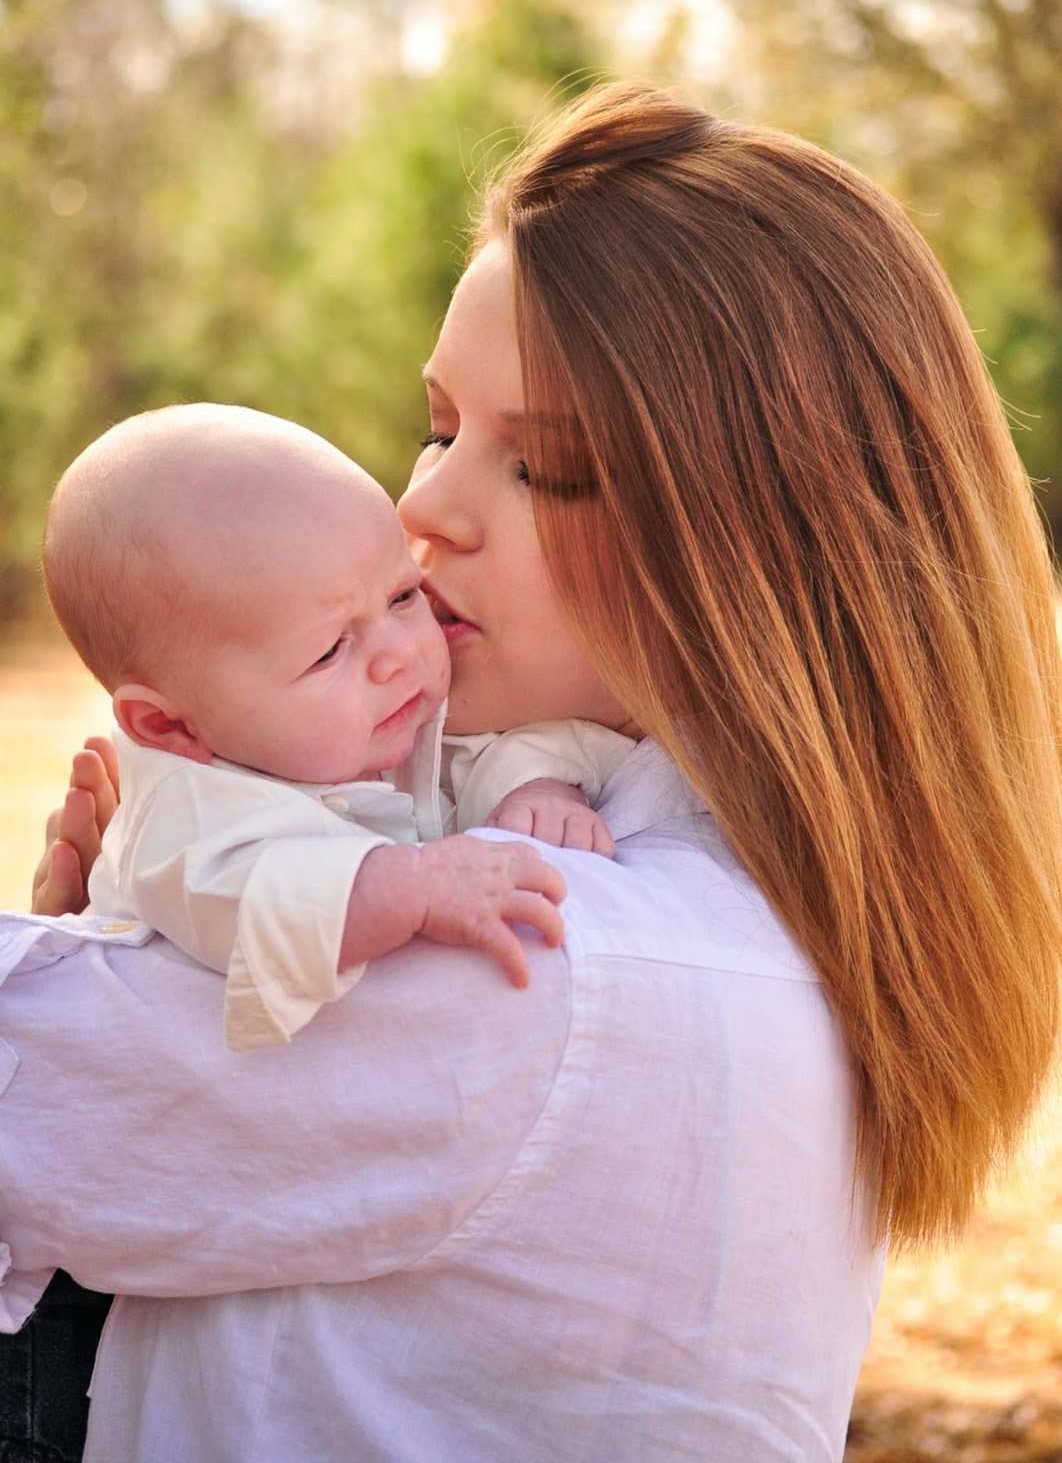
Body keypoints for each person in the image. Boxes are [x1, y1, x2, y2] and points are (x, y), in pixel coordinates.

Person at [2, 80, 1061, 1463]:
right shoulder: (730, 898)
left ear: (766, 545)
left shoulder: (533, 951)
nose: (421, 507)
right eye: (440, 426)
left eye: (545, 471)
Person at [39, 401, 626, 1049]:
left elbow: (475, 752)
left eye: (404, 596)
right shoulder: (181, 825)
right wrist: (416, 886)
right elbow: (265, 906)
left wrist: (535, 788)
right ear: (170, 725)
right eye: (327, 651)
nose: (401, 652)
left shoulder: (373, 718)